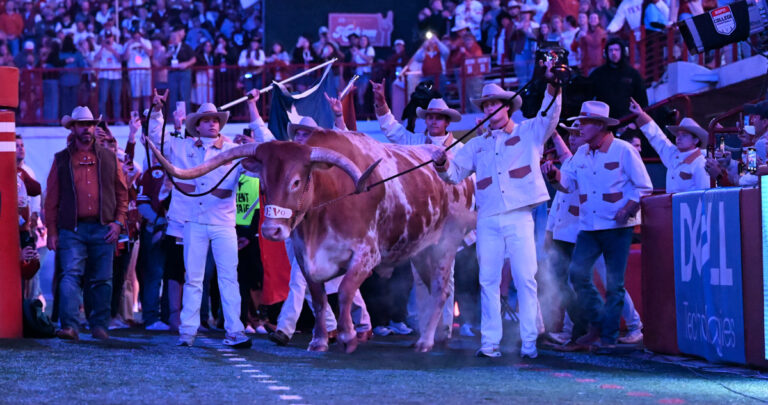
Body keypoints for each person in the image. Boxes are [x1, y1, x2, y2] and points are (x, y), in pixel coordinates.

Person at [432, 71, 561, 358]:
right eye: (486, 105)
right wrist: (441, 164)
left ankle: (529, 341)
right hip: (488, 218)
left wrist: (552, 86)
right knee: (487, 279)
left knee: (526, 278)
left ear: (507, 106)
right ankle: (490, 342)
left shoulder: (528, 132)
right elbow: (454, 174)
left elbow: (549, 116)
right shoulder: (477, 145)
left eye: (495, 104)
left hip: (518, 216)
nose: (490, 109)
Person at [542, 100, 652, 348]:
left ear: (599, 125)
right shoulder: (582, 153)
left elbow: (645, 186)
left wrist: (628, 208)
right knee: (578, 275)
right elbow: (568, 184)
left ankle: (607, 338)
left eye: (584, 122)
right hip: (589, 226)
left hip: (617, 228)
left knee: (614, 284)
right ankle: (599, 325)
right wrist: (555, 175)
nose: (579, 127)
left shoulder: (624, 150)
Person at [146, 90, 251, 348]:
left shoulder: (234, 150)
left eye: (215, 119)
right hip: (193, 221)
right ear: (197, 125)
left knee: (228, 277)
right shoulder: (182, 146)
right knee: (193, 277)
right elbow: (155, 140)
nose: (212, 123)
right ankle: (188, 331)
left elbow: (258, 168)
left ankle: (235, 330)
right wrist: (157, 111)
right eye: (206, 120)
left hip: (224, 223)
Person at [372, 79, 462, 337]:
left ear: (447, 122)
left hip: (448, 219)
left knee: (446, 272)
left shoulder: (461, 149)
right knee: (420, 273)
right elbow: (390, 128)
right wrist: (381, 101)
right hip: (422, 220)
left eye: (438, 118)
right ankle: (427, 326)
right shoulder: (414, 141)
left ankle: (444, 326)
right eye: (430, 117)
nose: (433, 121)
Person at [44, 106, 129, 341]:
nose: (87, 129)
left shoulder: (110, 157)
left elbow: (123, 194)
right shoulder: (61, 159)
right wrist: (51, 230)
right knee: (71, 275)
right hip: (72, 228)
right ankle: (70, 326)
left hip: (103, 227)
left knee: (102, 278)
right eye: (82, 124)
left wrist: (118, 223)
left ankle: (99, 326)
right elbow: (51, 197)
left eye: (90, 124)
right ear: (73, 128)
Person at [629, 98, 709, 193]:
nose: (679, 138)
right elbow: (657, 137)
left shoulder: (701, 163)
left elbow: (705, 194)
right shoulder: (673, 155)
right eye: (678, 135)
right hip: (674, 206)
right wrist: (641, 114)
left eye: (684, 135)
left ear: (696, 140)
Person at [588, 38, 648, 120]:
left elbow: (642, 101)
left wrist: (635, 124)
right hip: (604, 121)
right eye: (610, 50)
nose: (613, 53)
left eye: (617, 50)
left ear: (623, 52)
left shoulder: (633, 74)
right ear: (606, 53)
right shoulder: (598, 74)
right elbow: (588, 98)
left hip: (627, 122)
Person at [166, 25, 196, 113]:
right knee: (173, 96)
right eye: (172, 37)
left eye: (175, 37)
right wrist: (166, 55)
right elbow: (164, 60)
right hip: (172, 73)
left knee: (184, 95)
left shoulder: (186, 47)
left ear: (180, 37)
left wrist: (186, 64)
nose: (173, 39)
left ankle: (186, 117)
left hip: (184, 72)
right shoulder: (169, 48)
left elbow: (194, 59)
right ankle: (173, 118)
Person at [123, 28, 153, 113]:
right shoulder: (128, 43)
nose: (136, 35)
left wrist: (141, 43)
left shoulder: (146, 42)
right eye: (135, 34)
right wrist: (129, 45)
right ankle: (135, 118)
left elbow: (150, 53)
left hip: (146, 71)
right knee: (135, 97)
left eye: (138, 33)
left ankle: (148, 117)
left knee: (147, 96)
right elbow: (125, 58)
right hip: (134, 72)